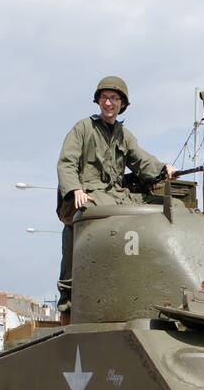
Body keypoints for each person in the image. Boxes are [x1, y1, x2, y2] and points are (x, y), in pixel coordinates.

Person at [55, 76, 177, 314]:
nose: (108, 103)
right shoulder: (83, 128)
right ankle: (67, 310)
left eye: (114, 98)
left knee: (161, 207)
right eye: (104, 97)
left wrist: (163, 169)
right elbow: (66, 163)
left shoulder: (123, 134)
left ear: (123, 104)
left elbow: (141, 159)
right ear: (98, 101)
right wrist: (75, 190)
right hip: (89, 194)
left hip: (116, 195)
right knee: (71, 265)